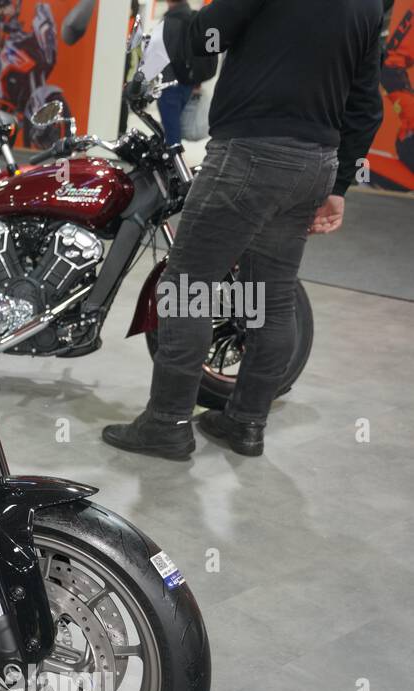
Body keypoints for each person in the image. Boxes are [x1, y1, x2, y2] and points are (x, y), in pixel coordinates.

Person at [103, 0, 385, 459]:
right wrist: (339, 186)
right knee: (270, 302)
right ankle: (246, 422)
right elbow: (366, 104)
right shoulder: (369, 5)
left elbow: (204, 36)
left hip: (251, 153)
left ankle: (167, 423)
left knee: (186, 287)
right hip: (315, 163)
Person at [156, 0, 197, 146]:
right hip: (188, 81)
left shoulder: (170, 21)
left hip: (169, 82)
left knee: (171, 131)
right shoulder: (194, 18)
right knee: (173, 125)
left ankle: (174, 165)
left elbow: (160, 54)